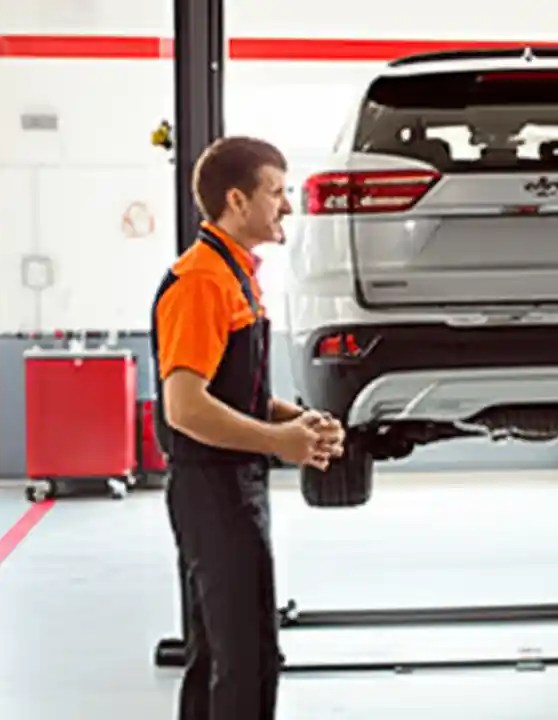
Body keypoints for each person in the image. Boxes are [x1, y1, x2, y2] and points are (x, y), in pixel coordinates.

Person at [151, 135, 344, 720]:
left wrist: (294, 419)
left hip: (233, 482)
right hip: (212, 487)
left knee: (227, 650)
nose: (286, 205)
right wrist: (278, 442)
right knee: (242, 656)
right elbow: (184, 407)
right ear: (237, 200)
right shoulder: (201, 281)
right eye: (277, 192)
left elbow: (235, 393)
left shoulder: (236, 274)